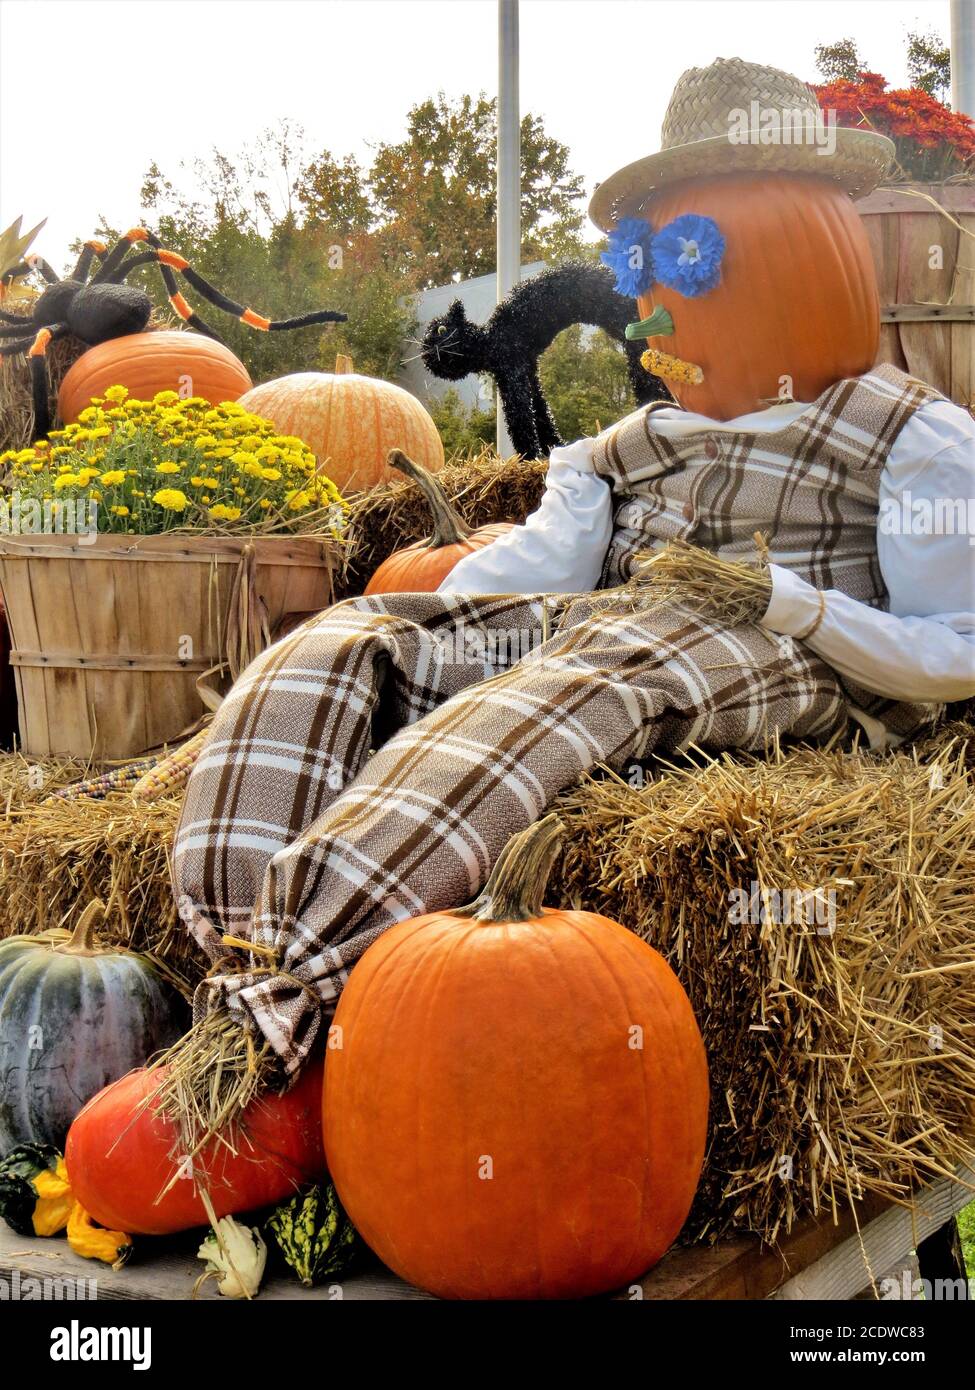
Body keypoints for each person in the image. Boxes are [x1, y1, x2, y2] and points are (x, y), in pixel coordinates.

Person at [172, 57, 975, 1082]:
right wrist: (419, 631)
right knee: (349, 641)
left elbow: (959, 651)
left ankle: (291, 975)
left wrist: (796, 603)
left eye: (689, 265)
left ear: (809, 264)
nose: (647, 312)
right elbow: (534, 576)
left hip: (789, 649)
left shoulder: (913, 438)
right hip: (615, 631)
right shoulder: (620, 447)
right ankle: (239, 957)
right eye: (642, 262)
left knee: (607, 662)